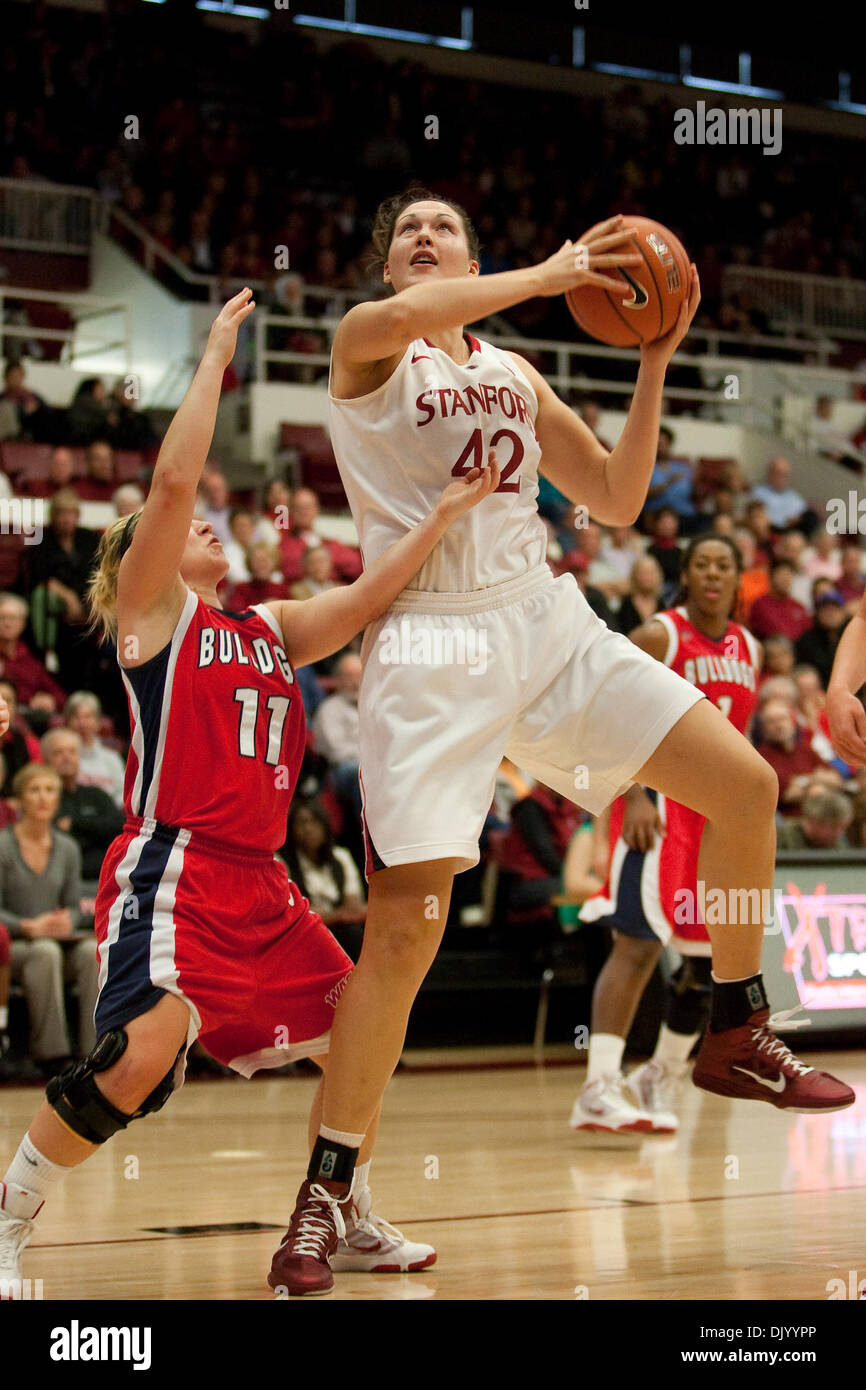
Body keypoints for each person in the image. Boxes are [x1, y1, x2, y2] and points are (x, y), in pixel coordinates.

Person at [313, 189, 853, 1288]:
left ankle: (732, 1027)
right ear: (388, 263)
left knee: (746, 786)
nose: (424, 239)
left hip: (543, 618)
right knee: (405, 936)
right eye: (408, 232)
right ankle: (329, 1195)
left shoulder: (512, 371)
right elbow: (430, 312)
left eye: (443, 229)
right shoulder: (365, 346)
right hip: (427, 642)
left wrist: (653, 357)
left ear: (468, 252)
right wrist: (553, 277)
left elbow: (610, 495)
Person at [0, 289, 499, 1300]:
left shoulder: (267, 626)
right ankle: (11, 1212)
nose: (208, 524)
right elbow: (176, 477)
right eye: (188, 525)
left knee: (364, 1026)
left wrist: (443, 513)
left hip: (262, 888)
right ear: (142, 555)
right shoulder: (154, 619)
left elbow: (366, 600)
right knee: (135, 1062)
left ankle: (342, 1206)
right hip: (174, 869)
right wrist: (216, 357)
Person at [575, 535, 761, 1133]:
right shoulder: (662, 634)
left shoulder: (749, 646)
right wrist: (628, 793)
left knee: (706, 962)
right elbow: (608, 703)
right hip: (657, 805)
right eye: (701, 563)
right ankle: (598, 1086)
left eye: (724, 565)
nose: (712, 574)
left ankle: (659, 1074)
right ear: (687, 573)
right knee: (636, 943)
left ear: (738, 579)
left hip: (714, 821)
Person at [1, 762, 96, 1071]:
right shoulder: (3, 844)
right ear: (19, 800)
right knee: (44, 953)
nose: (43, 798)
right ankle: (52, 1054)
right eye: (34, 790)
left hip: (57, 941)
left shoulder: (68, 848)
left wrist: (68, 919)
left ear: (58, 799)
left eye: (50, 790)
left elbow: (72, 904)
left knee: (89, 951)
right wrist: (26, 926)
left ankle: (95, 1051)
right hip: (14, 945)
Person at [41, 728, 124, 891]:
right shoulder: (43, 799)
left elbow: (117, 827)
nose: (66, 757)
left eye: (72, 752)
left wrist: (76, 824)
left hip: (102, 880)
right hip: (57, 885)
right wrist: (95, 832)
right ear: (45, 760)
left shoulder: (96, 795)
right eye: (58, 753)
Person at [63, 691, 125, 808]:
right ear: (68, 722)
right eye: (76, 717)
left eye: (88, 717)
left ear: (98, 722)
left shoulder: (112, 758)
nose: (82, 723)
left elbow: (122, 794)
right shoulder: (61, 757)